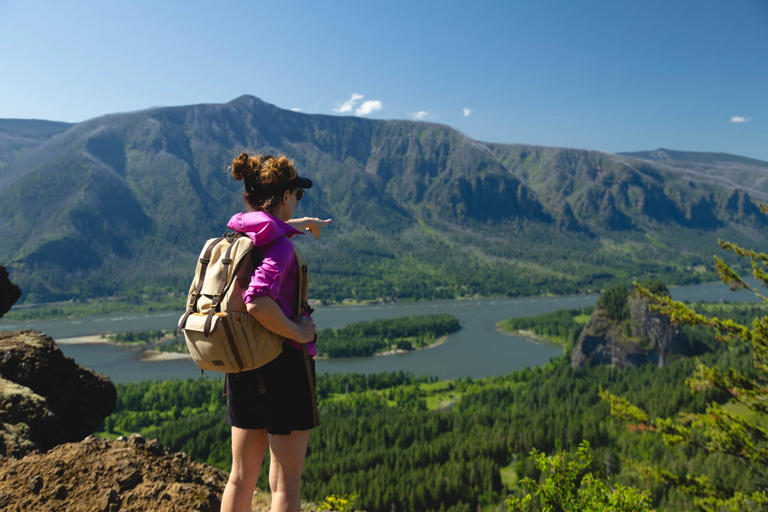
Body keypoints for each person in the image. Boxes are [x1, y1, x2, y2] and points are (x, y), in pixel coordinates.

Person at [220, 152, 330, 512]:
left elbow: (268, 229)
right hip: (284, 369)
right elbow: (257, 301)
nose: (296, 201)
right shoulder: (280, 247)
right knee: (284, 486)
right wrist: (299, 333)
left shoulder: (237, 234)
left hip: (242, 363)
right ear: (285, 196)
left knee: (240, 477)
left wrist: (301, 221)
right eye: (296, 195)